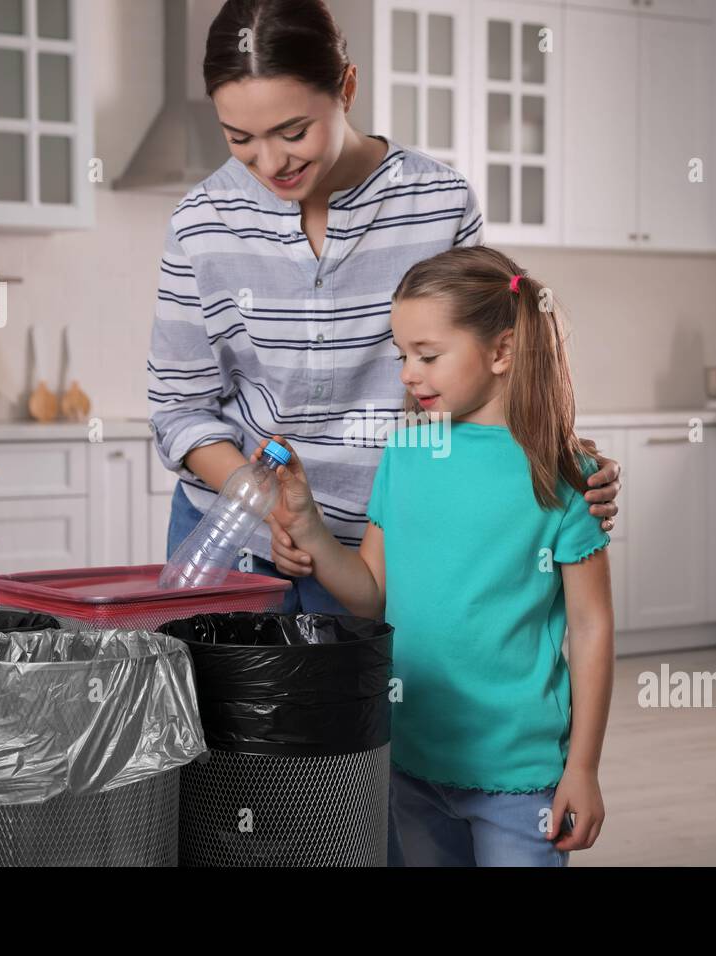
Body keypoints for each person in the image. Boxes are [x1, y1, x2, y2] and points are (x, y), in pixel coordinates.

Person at [148, 0, 622, 620]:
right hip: (233, 545)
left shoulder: (439, 202)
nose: (270, 163)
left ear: (347, 86)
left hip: (392, 545)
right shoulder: (201, 221)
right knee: (216, 718)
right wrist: (273, 507)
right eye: (240, 139)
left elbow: (483, 375)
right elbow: (180, 408)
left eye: (293, 132)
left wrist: (562, 458)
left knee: (368, 716)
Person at [255, 246, 615, 866]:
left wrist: (582, 768)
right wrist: (310, 528)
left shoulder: (564, 478)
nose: (406, 374)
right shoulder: (406, 453)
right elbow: (371, 592)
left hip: (518, 773)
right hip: (413, 756)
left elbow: (591, 627)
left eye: (427, 355)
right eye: (402, 356)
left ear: (502, 352)